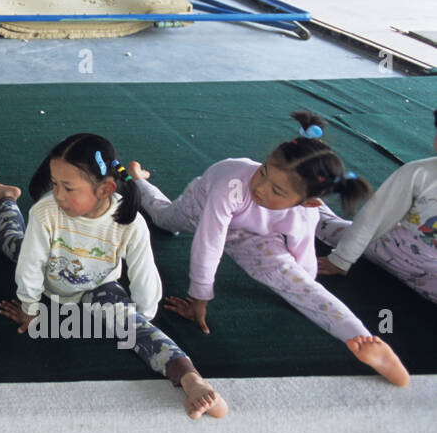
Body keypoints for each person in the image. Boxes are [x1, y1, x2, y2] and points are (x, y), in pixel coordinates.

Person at [130, 111, 409, 386]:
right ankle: (140, 181)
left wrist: (300, 285)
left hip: (257, 235)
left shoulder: (305, 214)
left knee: (297, 281)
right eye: (262, 172)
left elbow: (303, 259)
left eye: (276, 190)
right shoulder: (234, 183)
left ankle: (362, 339)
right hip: (201, 207)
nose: (260, 188)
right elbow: (209, 241)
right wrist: (199, 296)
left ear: (309, 203)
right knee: (164, 220)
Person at [0, 133, 227, 420]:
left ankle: (191, 378)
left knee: (133, 324)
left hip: (98, 286)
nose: (58, 195)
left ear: (105, 190)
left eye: (68, 187)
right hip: (48, 272)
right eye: (55, 184)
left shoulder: (130, 223)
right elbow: (30, 266)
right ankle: (6, 198)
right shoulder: (45, 213)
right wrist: (29, 306)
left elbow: (143, 270)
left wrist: (142, 316)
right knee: (11, 242)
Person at [316, 106, 436, 303]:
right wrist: (342, 259)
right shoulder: (417, 173)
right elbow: (374, 216)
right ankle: (306, 200)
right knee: (322, 223)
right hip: (382, 247)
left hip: (431, 275)